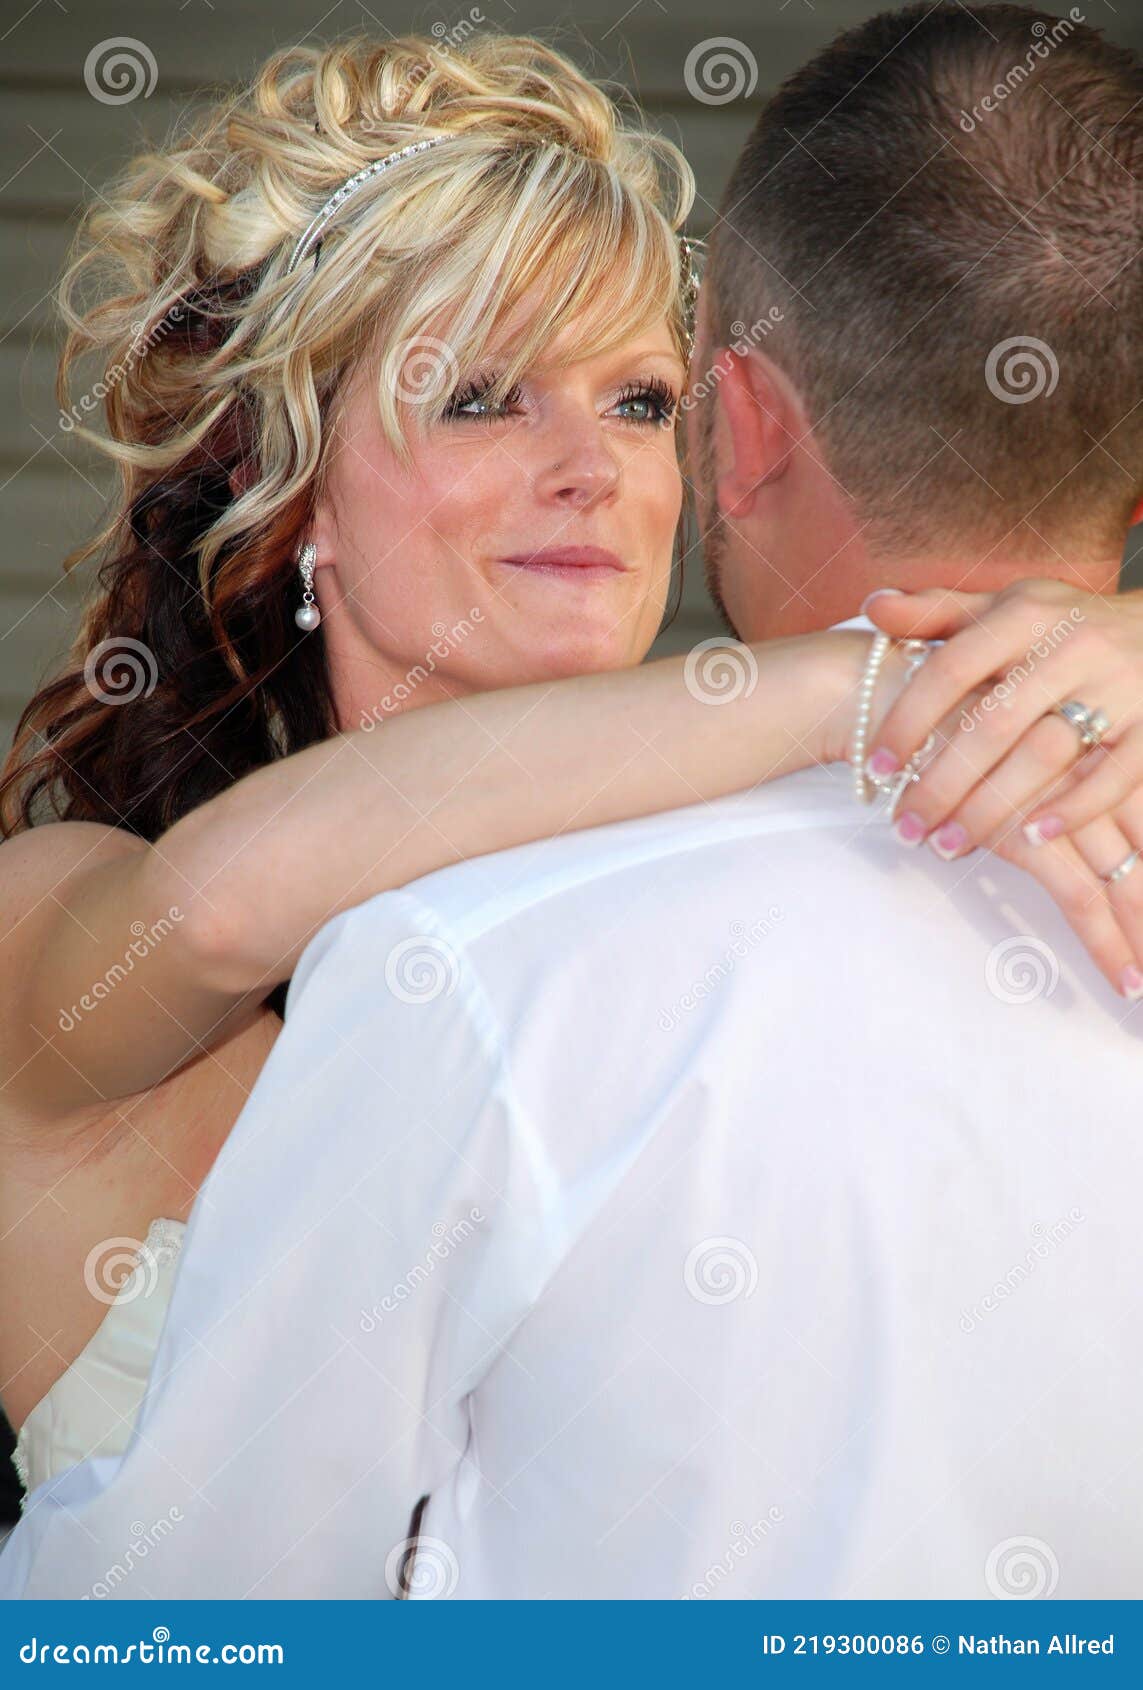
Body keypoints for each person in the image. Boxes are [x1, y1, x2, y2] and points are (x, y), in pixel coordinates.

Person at [3, 11, 1143, 1596]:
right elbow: (217, 904)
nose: (593, 468)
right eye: (482, 396)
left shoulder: (720, 928)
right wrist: (853, 680)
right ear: (294, 487)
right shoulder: (58, 909)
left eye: (640, 401)